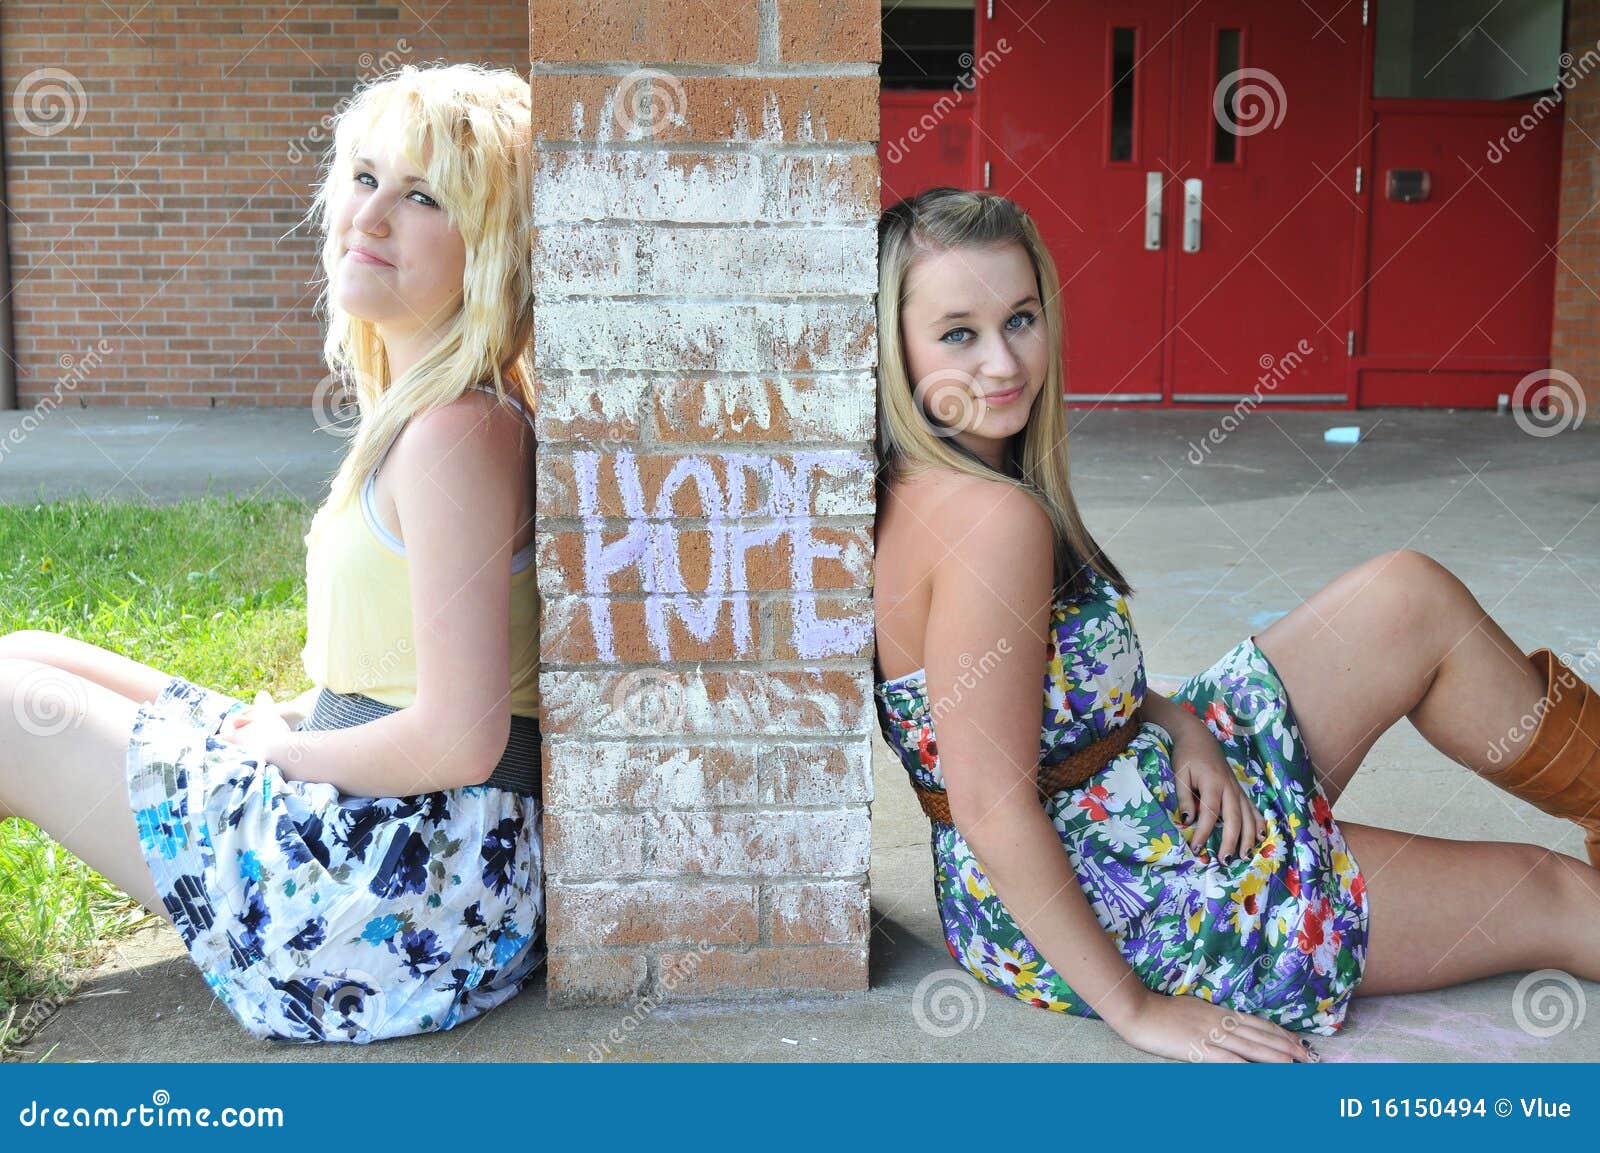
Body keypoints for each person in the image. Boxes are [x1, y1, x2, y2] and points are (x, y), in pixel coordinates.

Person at [871, 186, 1600, 1064]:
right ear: (894, 346)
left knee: (1409, 597)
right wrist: (1138, 1009)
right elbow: (990, 805)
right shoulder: (990, 521)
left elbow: (1038, 703)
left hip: (1131, 788)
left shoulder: (946, 478)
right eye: (958, 333)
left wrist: (1178, 722)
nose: (1003, 362)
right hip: (1119, 890)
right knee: (1554, 893)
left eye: (1020, 317)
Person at [0, 62, 544, 1044]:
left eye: (422, 197)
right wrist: (296, 718)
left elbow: (463, 738)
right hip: (399, 835)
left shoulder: (458, 434)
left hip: (398, 889)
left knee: (6, 712)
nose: (369, 217)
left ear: (490, 251)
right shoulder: (431, 415)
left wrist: (286, 752)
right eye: (365, 178)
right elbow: (402, 671)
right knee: (31, 657)